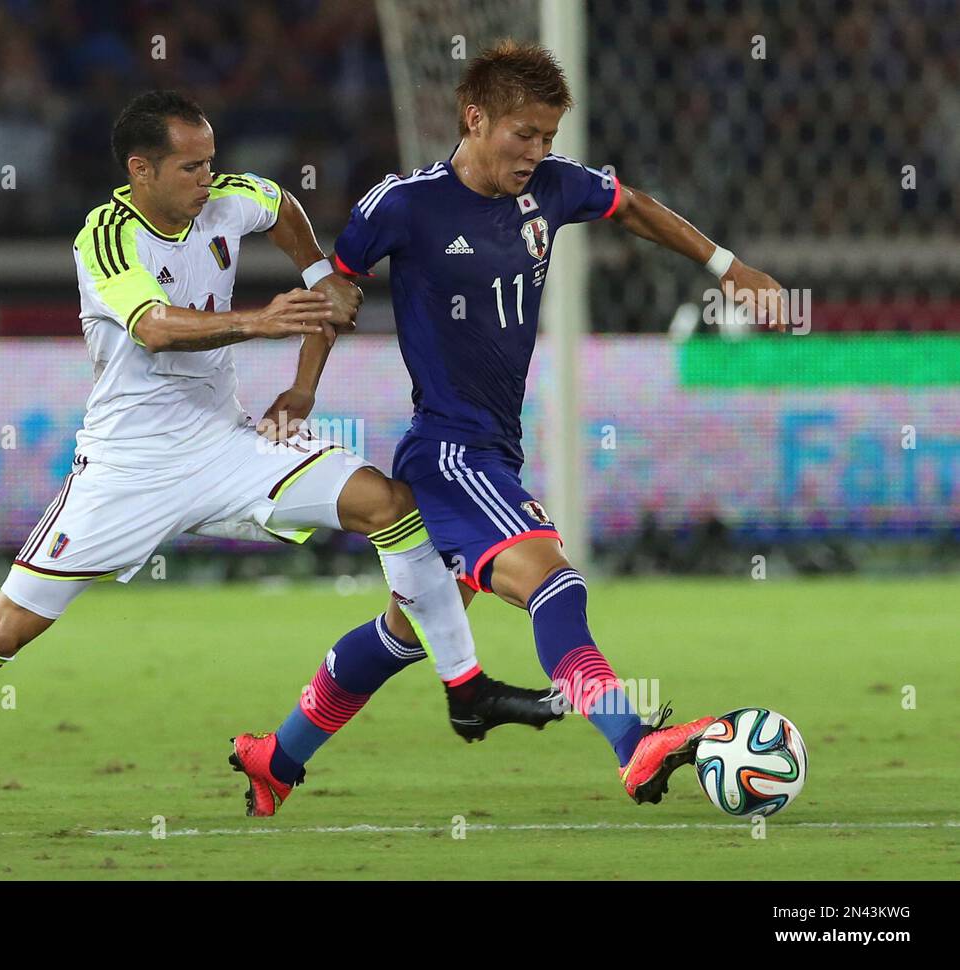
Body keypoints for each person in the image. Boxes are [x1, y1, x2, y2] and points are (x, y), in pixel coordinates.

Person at [0, 90, 561, 826]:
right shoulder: (104, 236)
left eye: (210, 160)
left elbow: (282, 206)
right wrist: (263, 323)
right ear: (140, 170)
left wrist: (318, 272)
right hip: (127, 468)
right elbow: (151, 328)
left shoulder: (227, 198)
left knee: (389, 504)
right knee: (2, 632)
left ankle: (465, 689)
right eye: (190, 166)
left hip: (225, 443)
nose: (207, 177)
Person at [242, 41, 789, 805]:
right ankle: (634, 744)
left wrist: (726, 266)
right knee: (553, 582)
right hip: (448, 451)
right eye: (522, 135)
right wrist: (302, 388)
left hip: (494, 445)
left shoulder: (554, 191)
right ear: (475, 117)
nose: (536, 153)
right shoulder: (403, 205)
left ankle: (279, 756)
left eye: (548, 138)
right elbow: (332, 292)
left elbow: (630, 204)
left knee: (408, 631)